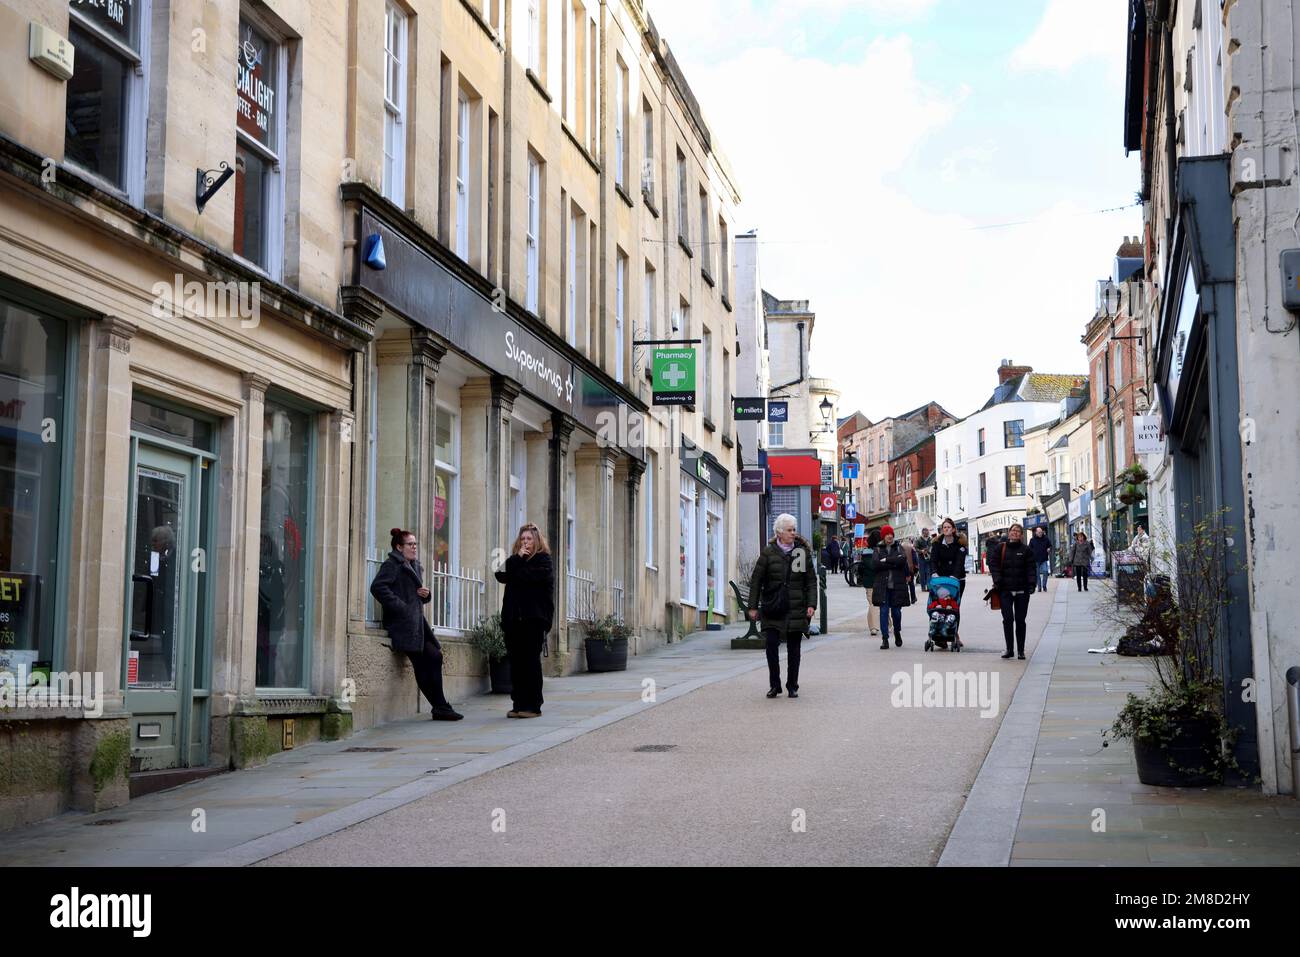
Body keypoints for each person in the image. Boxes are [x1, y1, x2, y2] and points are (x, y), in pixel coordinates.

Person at [370, 528, 464, 720]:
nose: (414, 547)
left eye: (415, 544)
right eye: (410, 544)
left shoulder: (414, 565)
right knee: (421, 664)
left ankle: (440, 706)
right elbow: (378, 587)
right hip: (402, 624)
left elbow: (417, 596)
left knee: (435, 656)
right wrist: (401, 607)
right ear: (399, 547)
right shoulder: (392, 564)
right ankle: (440, 707)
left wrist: (425, 595)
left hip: (417, 623)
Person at [748, 514, 818, 699]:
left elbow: (810, 580)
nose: (793, 533)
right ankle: (775, 685)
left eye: (794, 529)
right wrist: (753, 607)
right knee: (771, 645)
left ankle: (792, 685)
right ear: (779, 532)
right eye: (789, 530)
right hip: (773, 606)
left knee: (794, 648)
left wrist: (811, 604)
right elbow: (756, 580)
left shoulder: (800, 553)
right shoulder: (769, 553)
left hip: (796, 606)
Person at [494, 522, 555, 719]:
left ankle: (533, 705)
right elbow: (501, 575)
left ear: (537, 541)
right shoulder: (515, 560)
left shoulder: (544, 560)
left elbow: (530, 577)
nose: (525, 542)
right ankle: (518, 703)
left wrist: (516, 569)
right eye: (522, 539)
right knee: (516, 663)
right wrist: (517, 558)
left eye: (529, 539)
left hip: (534, 619)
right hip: (513, 620)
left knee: (530, 662)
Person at [988, 523, 1037, 659]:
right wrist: (997, 580)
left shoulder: (1026, 550)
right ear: (1008, 533)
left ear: (1021, 535)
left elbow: (1031, 568)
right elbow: (993, 564)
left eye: (1018, 531)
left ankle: (1021, 651)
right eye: (1012, 530)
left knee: (1020, 620)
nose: (1014, 532)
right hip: (1005, 591)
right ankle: (1009, 649)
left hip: (1022, 591)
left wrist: (1032, 584)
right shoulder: (1000, 548)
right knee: (1008, 619)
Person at [872, 525, 912, 649]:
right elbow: (876, 564)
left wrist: (886, 560)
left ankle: (897, 632)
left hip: (897, 586)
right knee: (883, 612)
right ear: (883, 536)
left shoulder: (898, 547)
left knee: (896, 613)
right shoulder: (878, 549)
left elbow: (902, 560)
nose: (890, 536)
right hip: (883, 586)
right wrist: (893, 563)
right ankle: (885, 639)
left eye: (891, 534)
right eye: (887, 534)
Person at [856, 528, 881, 636]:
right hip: (879, 581)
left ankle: (877, 626)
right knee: (877, 604)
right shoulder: (880, 552)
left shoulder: (865, 553)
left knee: (873, 604)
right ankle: (875, 627)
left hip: (869, 582)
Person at [1029, 526, 1052, 593]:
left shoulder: (1046, 538)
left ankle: (1044, 585)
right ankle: (1039, 587)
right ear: (1036, 532)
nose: (1040, 533)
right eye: (1039, 532)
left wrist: (1049, 548)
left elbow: (1050, 545)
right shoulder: (1032, 540)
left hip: (1044, 558)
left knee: (1045, 572)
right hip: (1035, 560)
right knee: (1037, 574)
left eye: (1041, 532)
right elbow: (1029, 549)